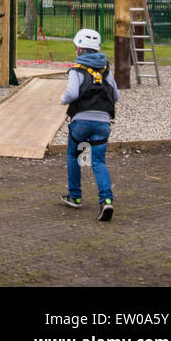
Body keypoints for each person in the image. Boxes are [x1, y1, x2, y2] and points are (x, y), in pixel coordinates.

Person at [60, 27, 120, 221]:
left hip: (81, 121)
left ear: (78, 49)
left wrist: (62, 100)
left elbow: (71, 94)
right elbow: (116, 95)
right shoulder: (106, 70)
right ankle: (106, 201)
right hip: (102, 122)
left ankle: (75, 196)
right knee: (98, 161)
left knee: (74, 155)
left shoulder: (76, 70)